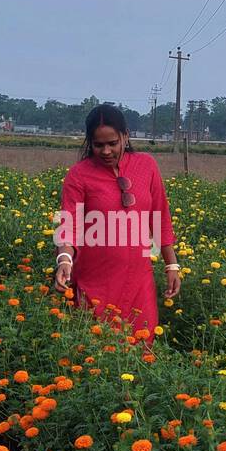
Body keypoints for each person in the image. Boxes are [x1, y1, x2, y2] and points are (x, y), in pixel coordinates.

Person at [53, 103, 179, 342]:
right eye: (98, 145)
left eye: (113, 143)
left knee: (141, 353)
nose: (106, 151)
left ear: (126, 136)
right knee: (98, 355)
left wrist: (171, 266)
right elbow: (68, 225)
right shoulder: (79, 175)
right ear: (89, 143)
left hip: (139, 283)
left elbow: (159, 216)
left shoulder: (147, 166)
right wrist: (64, 261)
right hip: (95, 285)